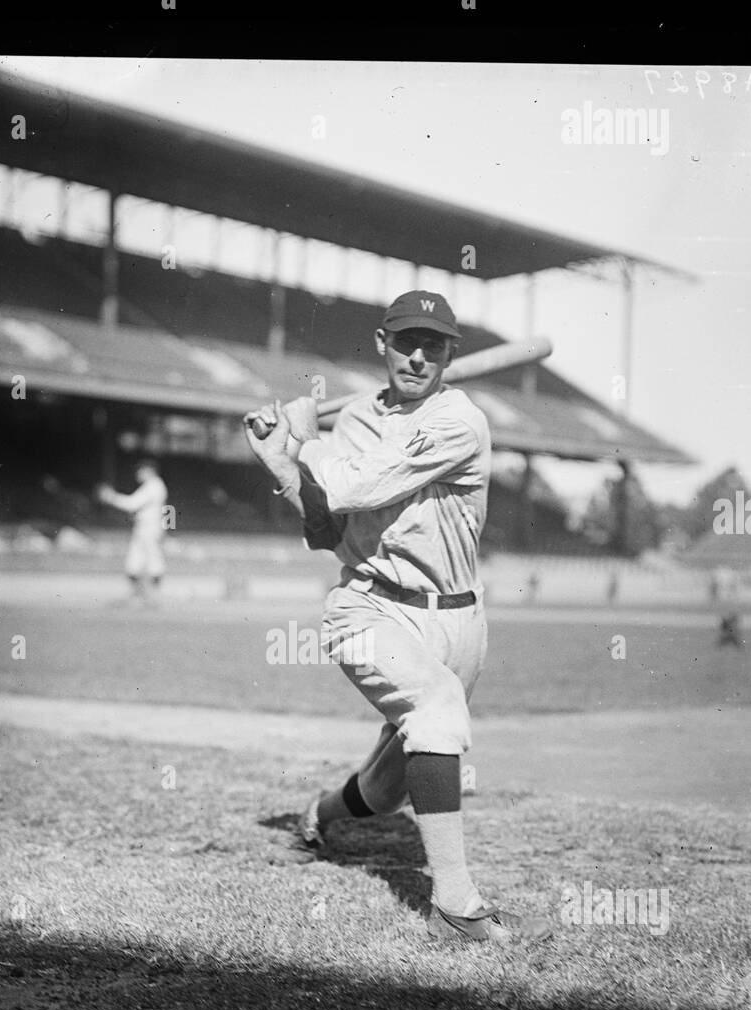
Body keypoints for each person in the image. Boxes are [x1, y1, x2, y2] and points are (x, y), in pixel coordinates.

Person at [244, 291, 552, 946]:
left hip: (459, 619)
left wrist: (304, 439)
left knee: (386, 793)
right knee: (436, 709)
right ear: (381, 343)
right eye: (405, 342)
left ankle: (319, 816)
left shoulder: (459, 422)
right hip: (367, 604)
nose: (417, 356)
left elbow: (354, 484)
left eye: (433, 345)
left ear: (448, 354)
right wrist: (284, 467)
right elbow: (328, 526)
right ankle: (455, 901)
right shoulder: (353, 419)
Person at [97, 459, 169, 602]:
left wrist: (111, 497)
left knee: (153, 559)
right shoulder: (151, 485)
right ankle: (137, 593)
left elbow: (132, 504)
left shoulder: (154, 485)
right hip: (143, 528)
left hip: (150, 528)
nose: (137, 474)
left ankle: (155, 594)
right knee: (134, 560)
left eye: (140, 471)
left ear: (148, 471)